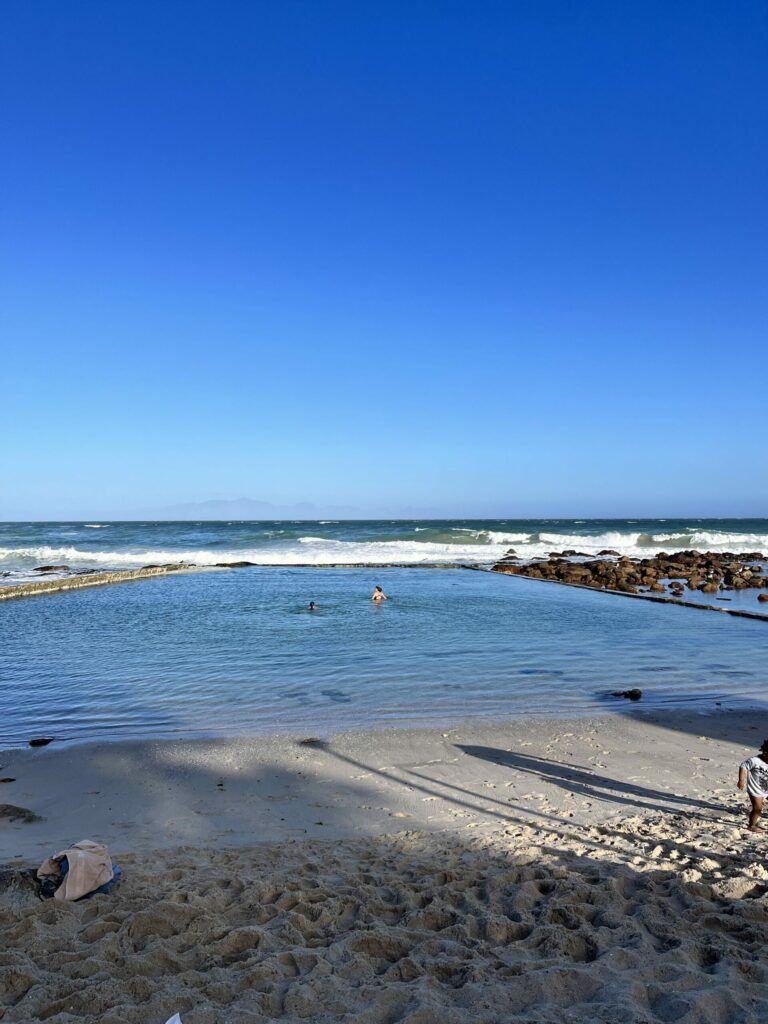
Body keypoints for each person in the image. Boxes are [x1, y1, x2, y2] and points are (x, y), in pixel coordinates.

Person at [737, 739, 768, 832]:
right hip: (756, 790)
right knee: (757, 809)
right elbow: (743, 766)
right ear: (765, 753)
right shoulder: (755, 761)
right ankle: (751, 825)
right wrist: (741, 780)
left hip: (766, 788)